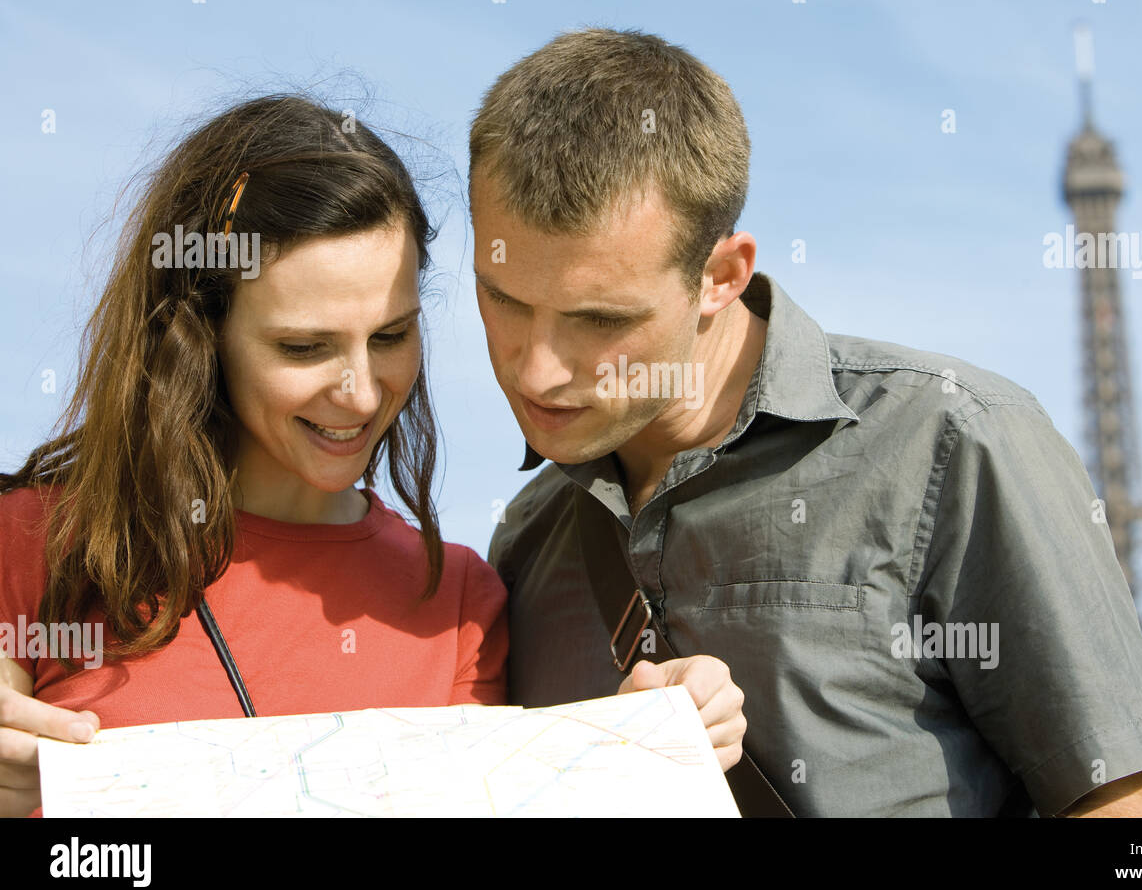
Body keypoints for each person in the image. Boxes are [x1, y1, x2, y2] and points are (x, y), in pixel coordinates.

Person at [475, 28, 1142, 817]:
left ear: (722, 276)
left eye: (598, 319)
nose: (536, 369)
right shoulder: (527, 536)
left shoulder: (956, 443)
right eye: (503, 300)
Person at [0, 93, 745, 818]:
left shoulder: (458, 603)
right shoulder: (32, 544)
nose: (359, 395)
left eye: (390, 337)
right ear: (200, 334)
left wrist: (625, 749)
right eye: (304, 347)